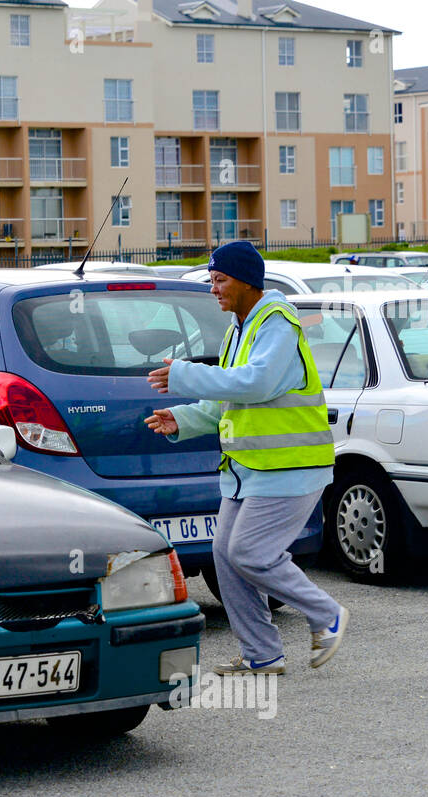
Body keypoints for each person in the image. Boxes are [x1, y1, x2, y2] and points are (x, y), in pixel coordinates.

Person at [144, 240, 349, 674]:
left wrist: (184, 373)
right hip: (251, 470)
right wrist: (181, 420)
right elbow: (232, 401)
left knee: (251, 553)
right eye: (212, 280)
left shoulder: (276, 322)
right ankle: (262, 654)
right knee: (226, 554)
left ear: (246, 282)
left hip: (291, 468)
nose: (214, 289)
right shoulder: (243, 326)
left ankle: (325, 613)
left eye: (220, 280)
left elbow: (256, 383)